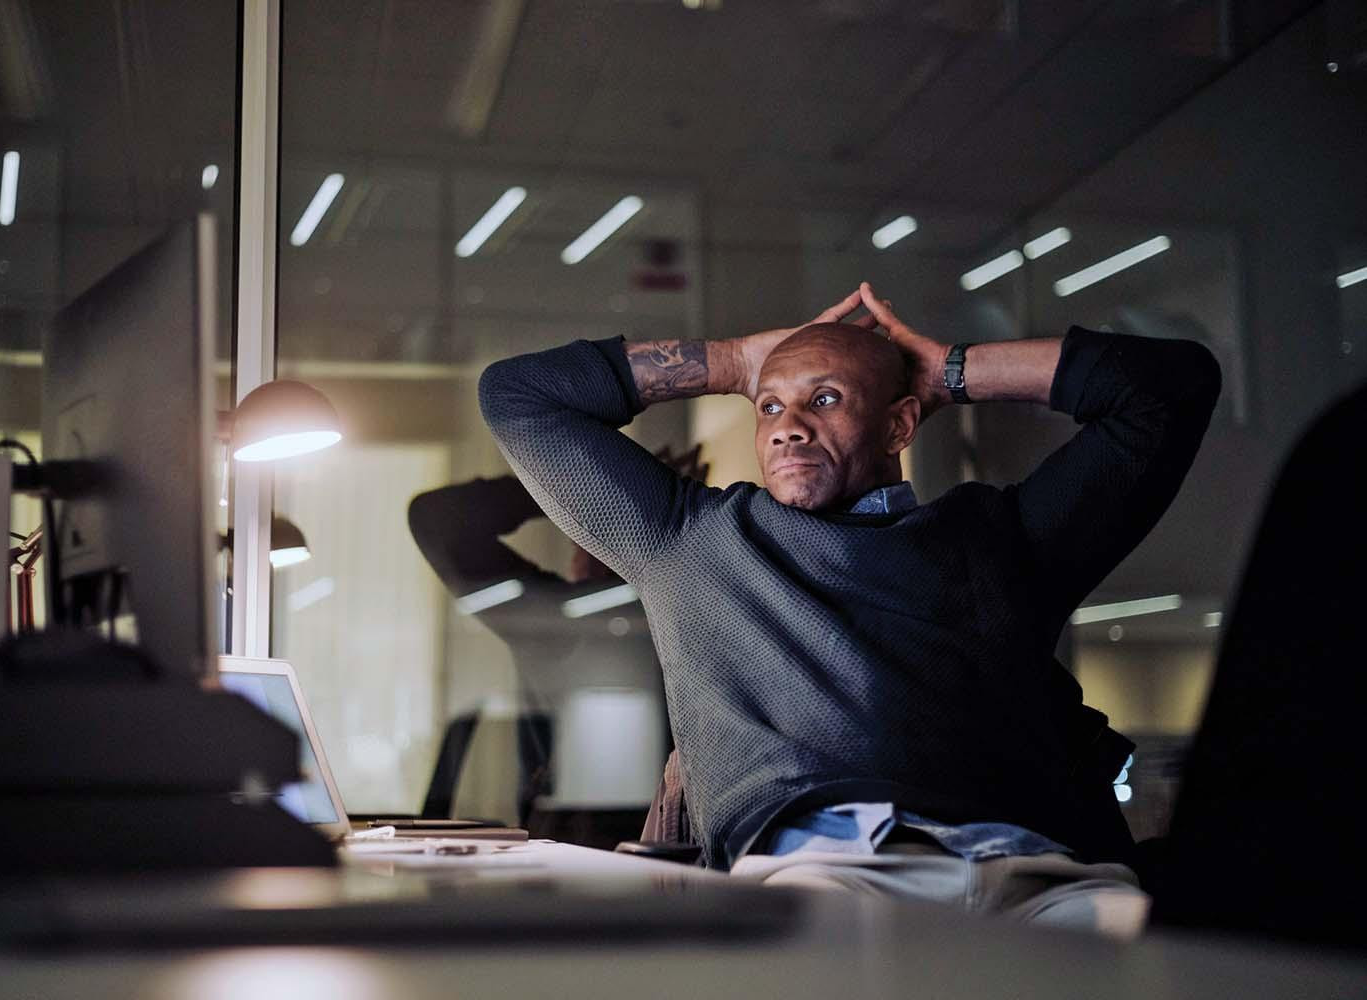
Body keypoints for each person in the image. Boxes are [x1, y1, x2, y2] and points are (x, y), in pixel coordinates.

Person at [478, 281, 1220, 936]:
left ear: (901, 426)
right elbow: (519, 395)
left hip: (1041, 872)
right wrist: (736, 361)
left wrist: (951, 372)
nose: (785, 425)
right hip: (832, 867)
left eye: (823, 400)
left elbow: (1172, 387)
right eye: (770, 406)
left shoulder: (1003, 537)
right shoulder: (695, 542)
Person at [407, 447, 706, 828]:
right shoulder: (690, 623)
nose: (573, 543)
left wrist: (580, 486)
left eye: (584, 526)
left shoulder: (573, 625)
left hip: (576, 853)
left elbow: (436, 520)